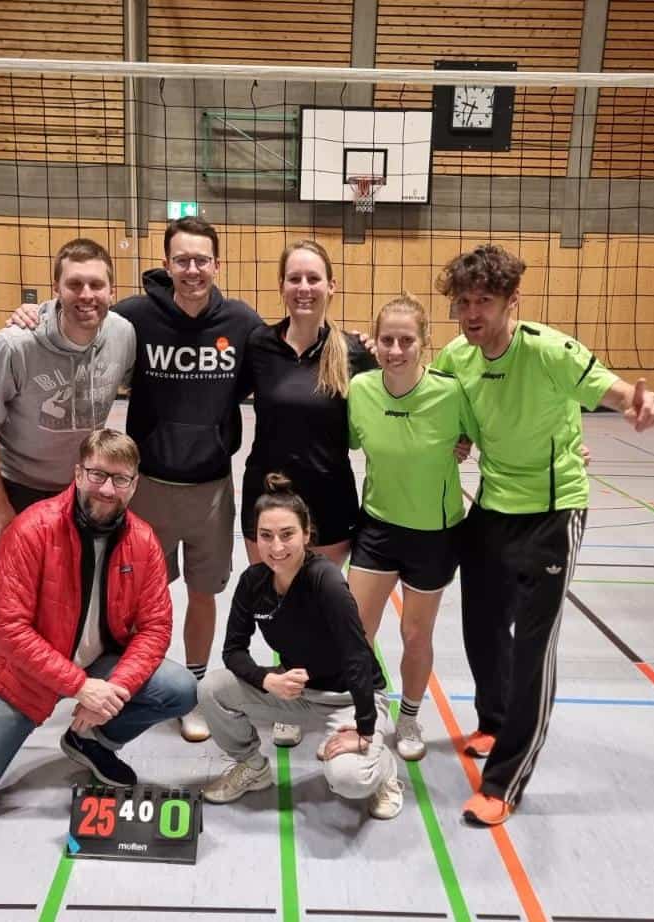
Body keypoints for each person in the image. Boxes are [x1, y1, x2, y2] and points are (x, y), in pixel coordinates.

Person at [434, 244, 654, 826]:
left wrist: (640, 404)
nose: (472, 313)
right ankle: (494, 721)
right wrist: (456, 438)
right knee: (482, 626)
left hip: (553, 511)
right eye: (463, 302)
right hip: (492, 504)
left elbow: (617, 392)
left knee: (534, 647)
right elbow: (444, 412)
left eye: (484, 301)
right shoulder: (456, 356)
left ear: (512, 301)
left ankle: (505, 781)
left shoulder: (549, 350)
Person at [9, 218, 264, 743]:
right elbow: (80, 317)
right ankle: (129, 686)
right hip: (147, 486)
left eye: (202, 259)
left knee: (203, 593)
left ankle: (193, 691)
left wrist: (356, 348)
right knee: (134, 600)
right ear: (166, 264)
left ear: (217, 264)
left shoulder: (240, 321)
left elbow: (285, 354)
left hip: (212, 487)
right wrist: (34, 312)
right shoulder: (134, 317)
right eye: (182, 259)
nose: (192, 269)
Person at [0, 430, 197, 822]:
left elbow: (155, 628)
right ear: (78, 474)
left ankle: (90, 741)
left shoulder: (144, 541)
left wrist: (116, 688)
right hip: (24, 677)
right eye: (97, 475)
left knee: (180, 689)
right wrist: (80, 687)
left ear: (134, 485)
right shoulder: (32, 529)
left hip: (97, 666)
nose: (107, 489)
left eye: (120, 479)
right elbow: (10, 629)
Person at [0, 238, 135, 664]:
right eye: (74, 284)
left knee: (71, 595)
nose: (86, 295)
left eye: (96, 285)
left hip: (79, 491)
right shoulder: (15, 345)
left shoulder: (122, 334)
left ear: (112, 291)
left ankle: (60, 679)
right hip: (17, 486)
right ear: (55, 289)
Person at [198, 473, 403, 820]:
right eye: (266, 536)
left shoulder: (326, 581)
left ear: (307, 534)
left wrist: (365, 730)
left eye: (287, 534)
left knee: (349, 780)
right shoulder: (253, 582)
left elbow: (357, 656)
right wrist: (267, 679)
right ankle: (253, 767)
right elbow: (233, 651)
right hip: (297, 693)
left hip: (346, 698)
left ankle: (382, 767)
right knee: (211, 689)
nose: (276, 547)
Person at [241, 239, 377, 748]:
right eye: (294, 278)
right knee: (279, 606)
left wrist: (458, 438)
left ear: (331, 286)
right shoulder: (258, 345)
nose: (304, 287)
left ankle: (333, 692)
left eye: (313, 278)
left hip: (329, 500)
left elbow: (406, 395)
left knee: (321, 608)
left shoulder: (355, 351)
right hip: (267, 499)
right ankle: (289, 696)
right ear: (281, 285)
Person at [347, 294, 477, 762]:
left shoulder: (450, 393)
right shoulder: (361, 388)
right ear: (375, 342)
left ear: (425, 342)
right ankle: (365, 710)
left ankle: (409, 717)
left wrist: (569, 447)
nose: (396, 350)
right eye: (387, 340)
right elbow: (342, 439)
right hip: (377, 527)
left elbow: (493, 432)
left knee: (415, 635)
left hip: (433, 534)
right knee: (356, 629)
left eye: (406, 340)